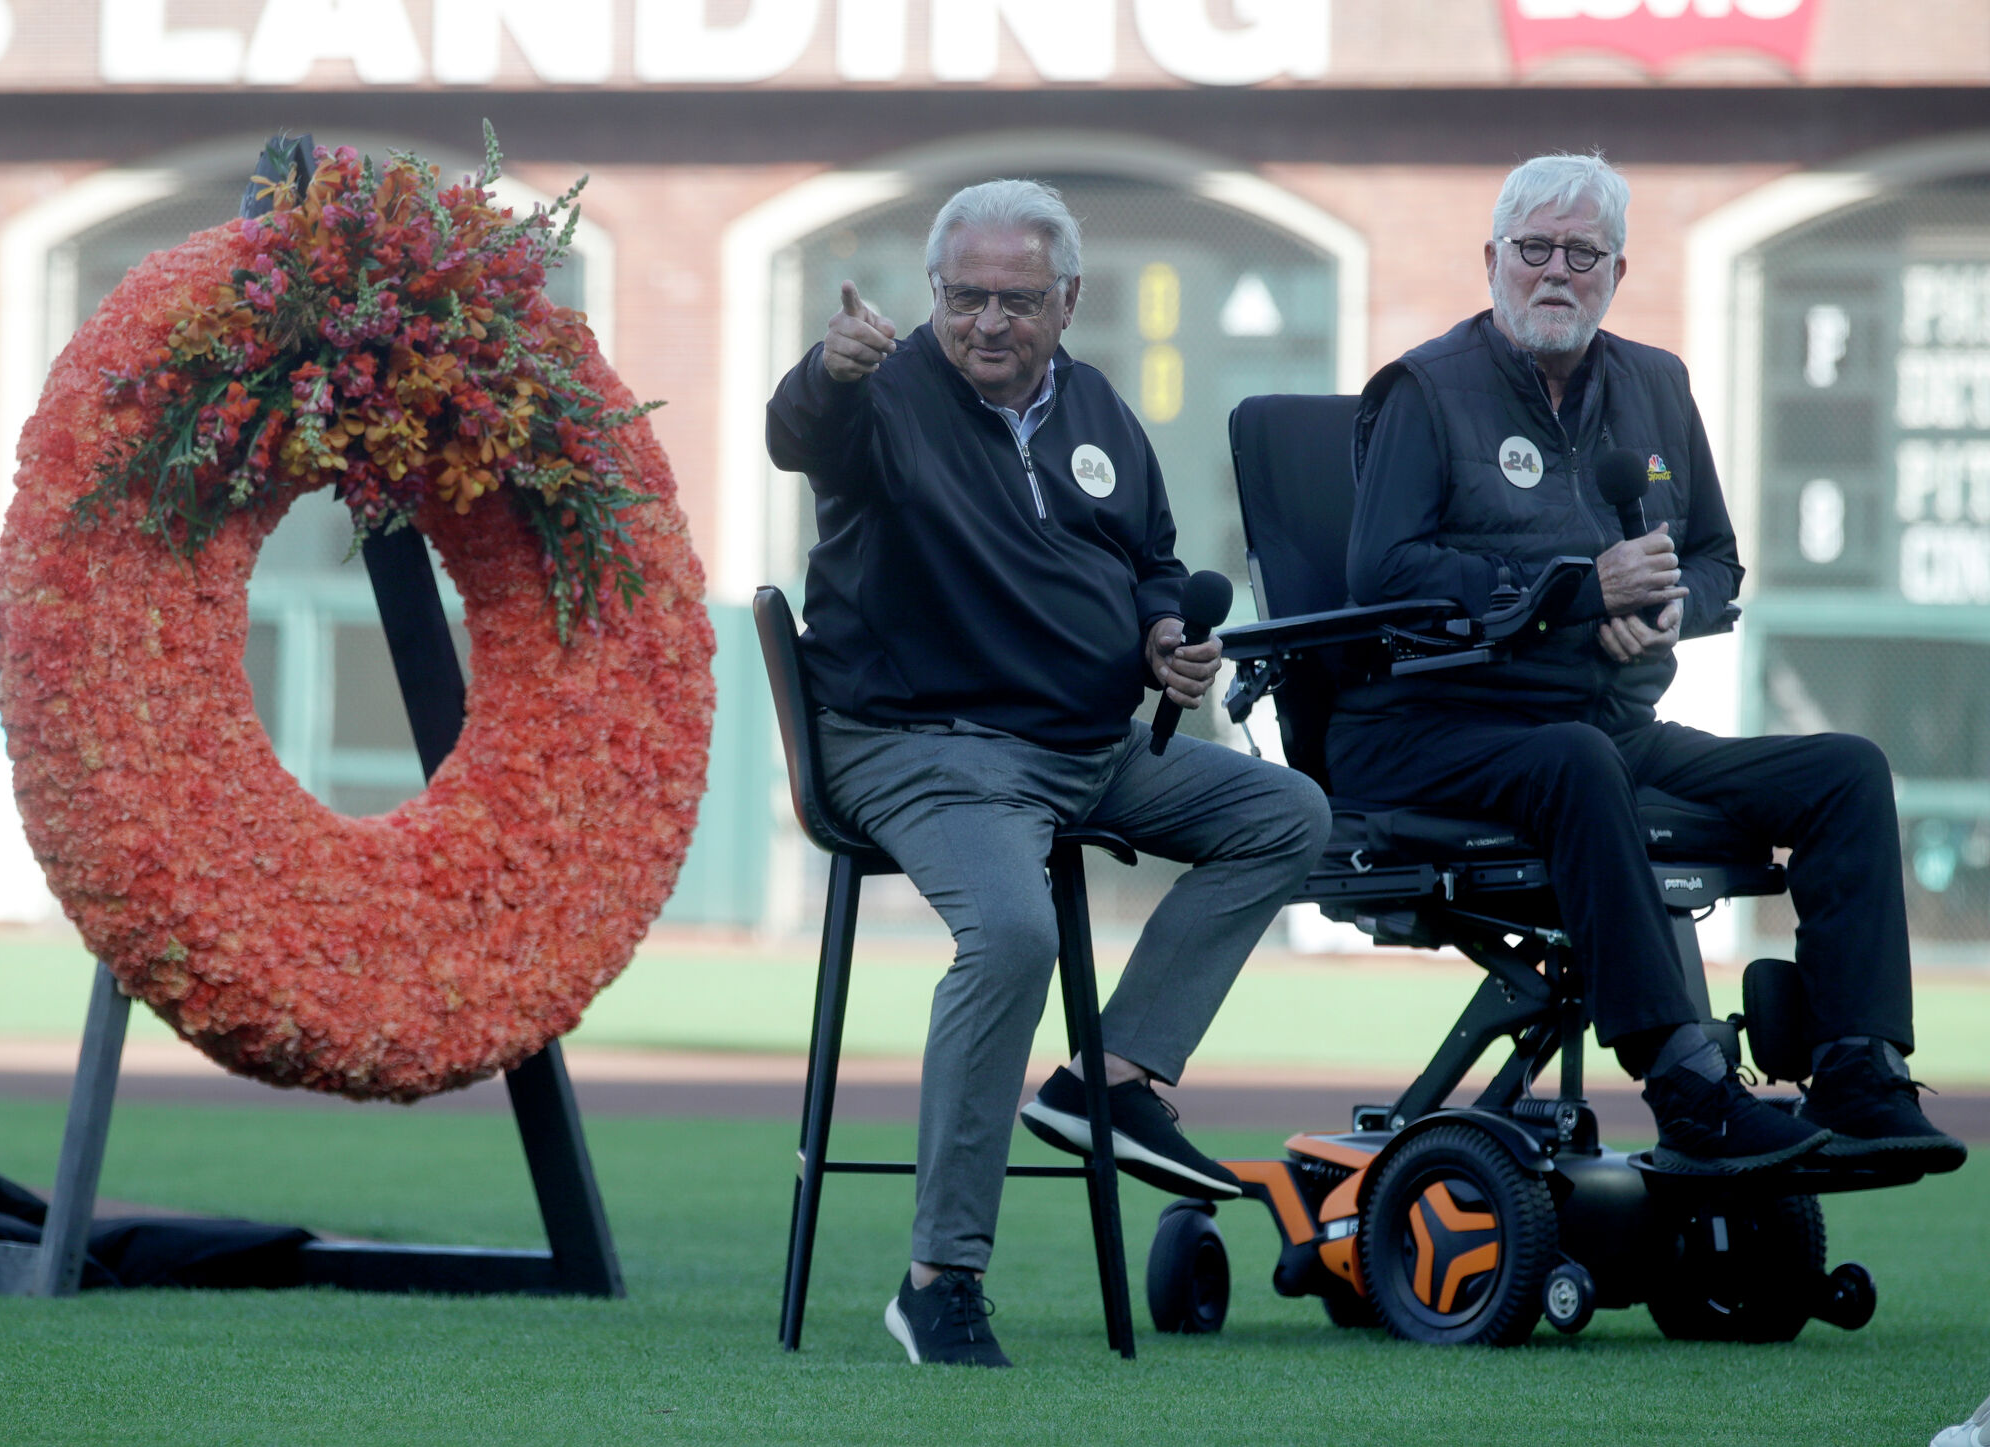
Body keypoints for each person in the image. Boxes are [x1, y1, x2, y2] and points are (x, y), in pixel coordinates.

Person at [767, 178, 1330, 1367]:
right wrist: (828, 369)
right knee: (1013, 935)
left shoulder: (1098, 408)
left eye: (1015, 300)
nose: (986, 320)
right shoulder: (884, 396)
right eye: (963, 295)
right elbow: (798, 434)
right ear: (933, 295)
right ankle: (938, 1280)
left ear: (1066, 302)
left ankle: (1106, 1079)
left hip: (1083, 746)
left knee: (1285, 811)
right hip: (921, 747)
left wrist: (1163, 635)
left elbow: (1152, 561)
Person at [1332, 151, 1965, 1177]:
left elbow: (1715, 561)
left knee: (1844, 770)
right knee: (1577, 759)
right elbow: (1383, 573)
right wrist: (1581, 592)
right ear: (1491, 260)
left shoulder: (1657, 386)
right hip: (1431, 731)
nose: (1555, 270)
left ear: (1617, 273)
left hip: (1608, 728)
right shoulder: (1425, 389)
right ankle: (1690, 1091)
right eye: (1534, 248)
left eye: (1582, 253)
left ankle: (1858, 1069)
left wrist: (1670, 610)